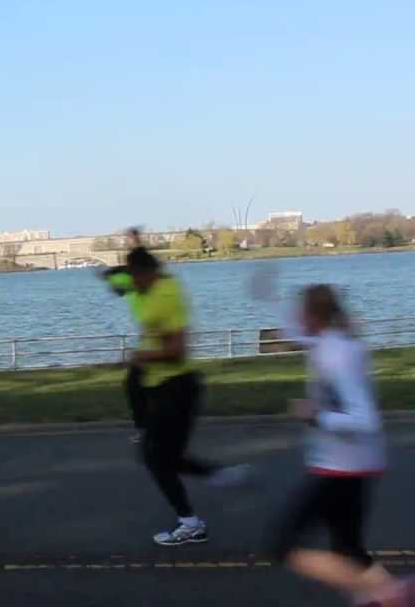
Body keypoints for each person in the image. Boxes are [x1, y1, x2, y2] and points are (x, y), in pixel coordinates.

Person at [252, 275, 414, 606]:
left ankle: (388, 593)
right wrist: (269, 298)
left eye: (300, 312)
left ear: (314, 315)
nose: (296, 319)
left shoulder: (333, 355)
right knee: (347, 548)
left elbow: (365, 418)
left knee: (281, 545)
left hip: (341, 470)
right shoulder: (332, 340)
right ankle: (384, 594)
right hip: (356, 465)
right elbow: (296, 333)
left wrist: (315, 416)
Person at [125, 246, 248, 547]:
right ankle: (217, 475)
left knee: (156, 458)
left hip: (177, 387)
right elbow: (129, 280)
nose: (131, 284)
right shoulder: (161, 284)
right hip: (164, 386)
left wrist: (143, 355)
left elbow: (177, 349)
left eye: (134, 277)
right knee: (163, 457)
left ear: (146, 274)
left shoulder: (166, 298)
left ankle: (191, 522)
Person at [103, 264, 147, 440]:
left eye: (114, 286)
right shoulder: (134, 290)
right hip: (151, 340)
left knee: (134, 385)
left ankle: (146, 429)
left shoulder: (134, 287)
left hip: (158, 341)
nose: (112, 291)